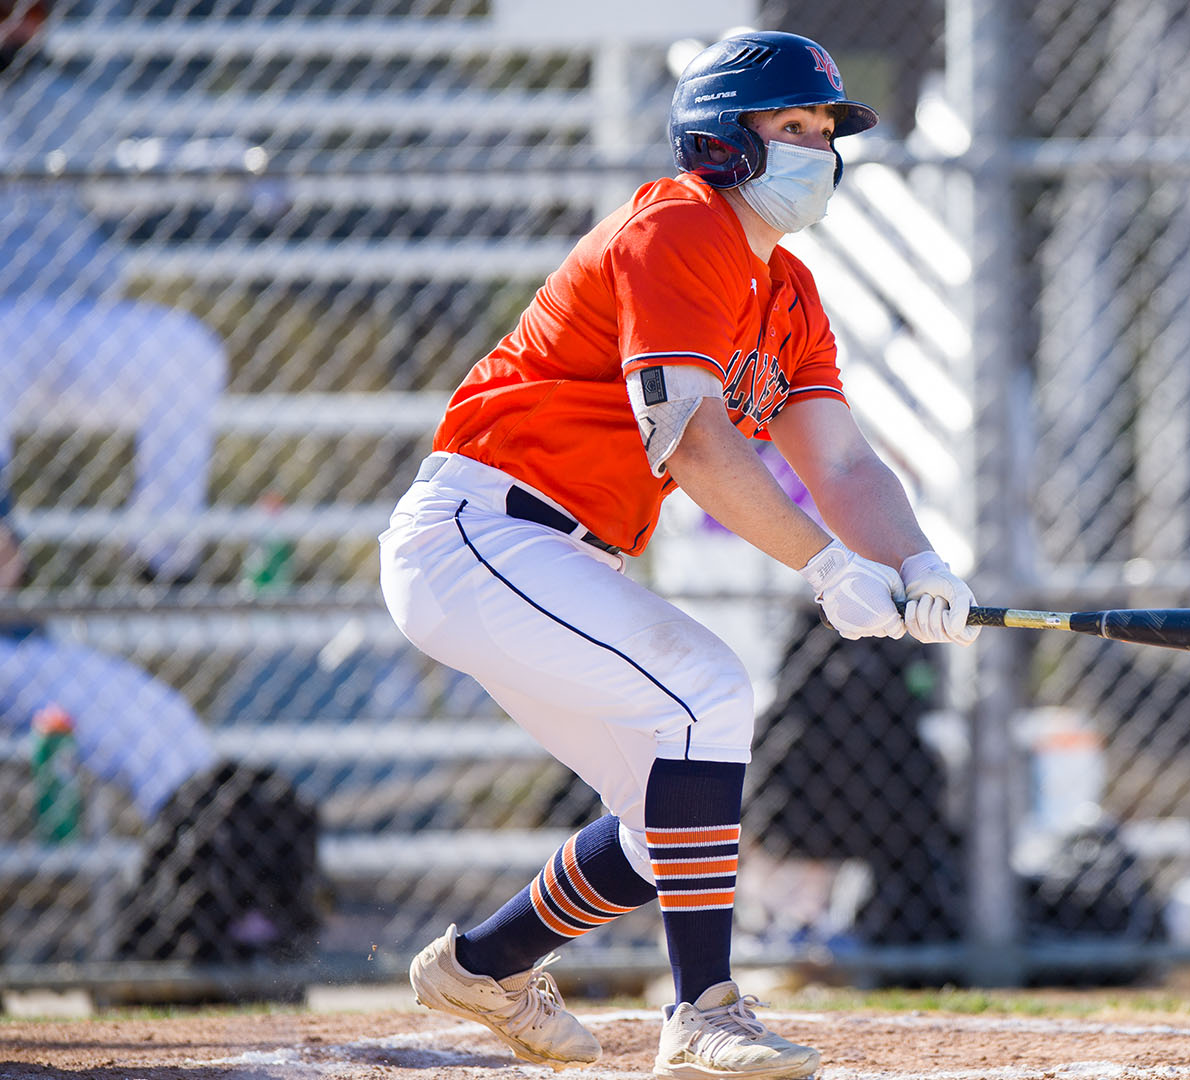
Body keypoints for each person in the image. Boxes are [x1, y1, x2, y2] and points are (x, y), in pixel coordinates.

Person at [378, 30, 979, 1078]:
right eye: (790, 126)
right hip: (481, 530)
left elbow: (840, 462)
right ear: (723, 138)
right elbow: (693, 438)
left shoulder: (787, 291)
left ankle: (484, 966)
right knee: (709, 691)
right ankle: (703, 1011)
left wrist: (920, 563)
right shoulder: (679, 226)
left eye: (824, 130)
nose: (817, 148)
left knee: (672, 818)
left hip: (554, 556)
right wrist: (829, 570)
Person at [0, 520, 321, 968]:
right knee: (149, 747)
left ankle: (219, 877)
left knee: (166, 719)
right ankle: (207, 885)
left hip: (27, 641)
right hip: (13, 658)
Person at [1, 0, 227, 585]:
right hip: (2, 324)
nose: (21, 28)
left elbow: (116, 179)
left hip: (76, 320)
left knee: (187, 351)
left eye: (35, 14)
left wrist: (210, 163)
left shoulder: (62, 102)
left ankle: (162, 562)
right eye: (8, 11)